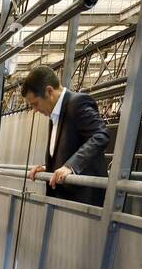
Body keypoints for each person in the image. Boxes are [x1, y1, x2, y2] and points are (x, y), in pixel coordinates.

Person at [21, 65, 111, 208]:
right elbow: (69, 146)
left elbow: (101, 135)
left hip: (83, 202)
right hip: (64, 200)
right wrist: (48, 166)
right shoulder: (55, 112)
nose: (34, 110)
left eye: (35, 104)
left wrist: (70, 166)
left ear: (49, 91)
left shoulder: (78, 103)